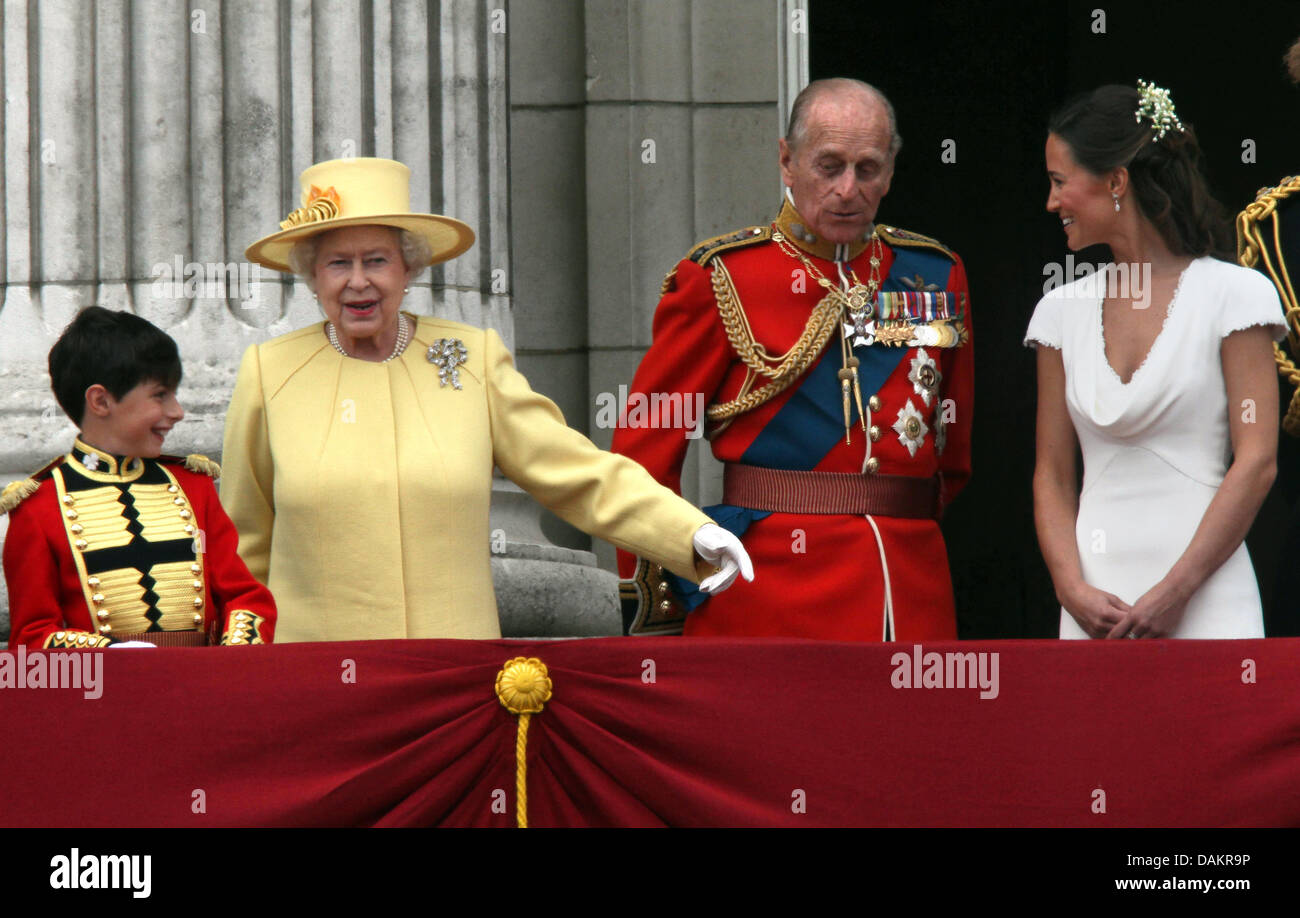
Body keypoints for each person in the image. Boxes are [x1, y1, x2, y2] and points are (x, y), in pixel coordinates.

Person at [223, 157, 751, 642]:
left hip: (453, 680)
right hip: (317, 683)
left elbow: (579, 473)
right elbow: (245, 546)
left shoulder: (470, 359)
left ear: (408, 270)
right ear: (313, 276)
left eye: (377, 260)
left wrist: (691, 532)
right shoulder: (272, 373)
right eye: (338, 263)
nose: (358, 282)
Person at [611, 78, 974, 639]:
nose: (848, 189)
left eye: (868, 168)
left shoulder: (935, 272)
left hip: (907, 588)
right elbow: (645, 454)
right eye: (829, 166)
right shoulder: (722, 276)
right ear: (787, 160)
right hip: (768, 592)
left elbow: (953, 458)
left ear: (892, 170)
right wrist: (663, 603)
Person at [1026, 81, 1283, 639]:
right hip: (1093, 613)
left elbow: (1258, 459)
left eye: (1059, 182)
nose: (1050, 202)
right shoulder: (1058, 311)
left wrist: (1175, 592)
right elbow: (1051, 472)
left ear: (1116, 181)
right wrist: (1071, 590)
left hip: (1208, 604)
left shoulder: (1237, 295)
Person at [1, 306, 276, 649]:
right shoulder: (38, 508)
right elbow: (31, 637)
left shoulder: (194, 487)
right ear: (101, 401)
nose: (177, 412)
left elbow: (246, 597)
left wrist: (231, 660)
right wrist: (112, 655)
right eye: (160, 395)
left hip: (204, 687)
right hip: (104, 694)